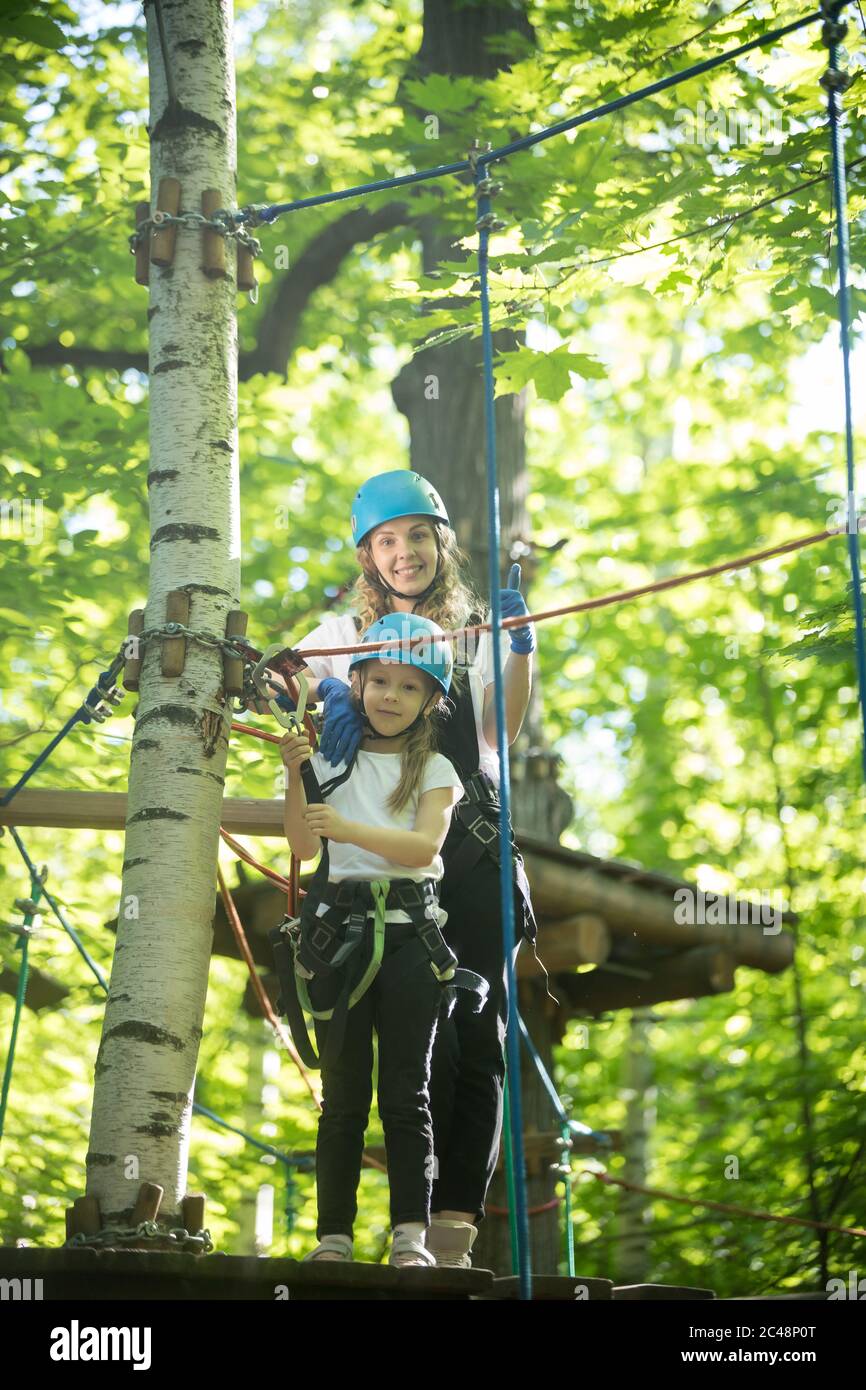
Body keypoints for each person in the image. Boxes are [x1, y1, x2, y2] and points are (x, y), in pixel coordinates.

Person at [288, 470, 539, 1269]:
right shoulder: (345, 632)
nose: (405, 554)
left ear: (441, 544)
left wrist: (520, 644)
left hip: (470, 858)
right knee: (399, 1048)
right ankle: (394, 1229)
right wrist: (321, 694)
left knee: (476, 1037)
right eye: (387, 541)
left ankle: (450, 1232)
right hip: (379, 877)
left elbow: (501, 725)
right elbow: (283, 679)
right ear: (368, 555)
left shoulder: (473, 632)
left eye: (417, 537)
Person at [277, 612, 483, 1268]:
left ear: (429, 702)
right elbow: (304, 843)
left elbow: (424, 846)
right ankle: (333, 1238)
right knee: (343, 1098)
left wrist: (348, 826)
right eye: (379, 682)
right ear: (357, 683)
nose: (391, 696)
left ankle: (410, 1238)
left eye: (408, 687)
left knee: (406, 1093)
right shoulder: (333, 761)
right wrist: (295, 774)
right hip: (340, 936)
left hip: (409, 942)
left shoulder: (437, 770)